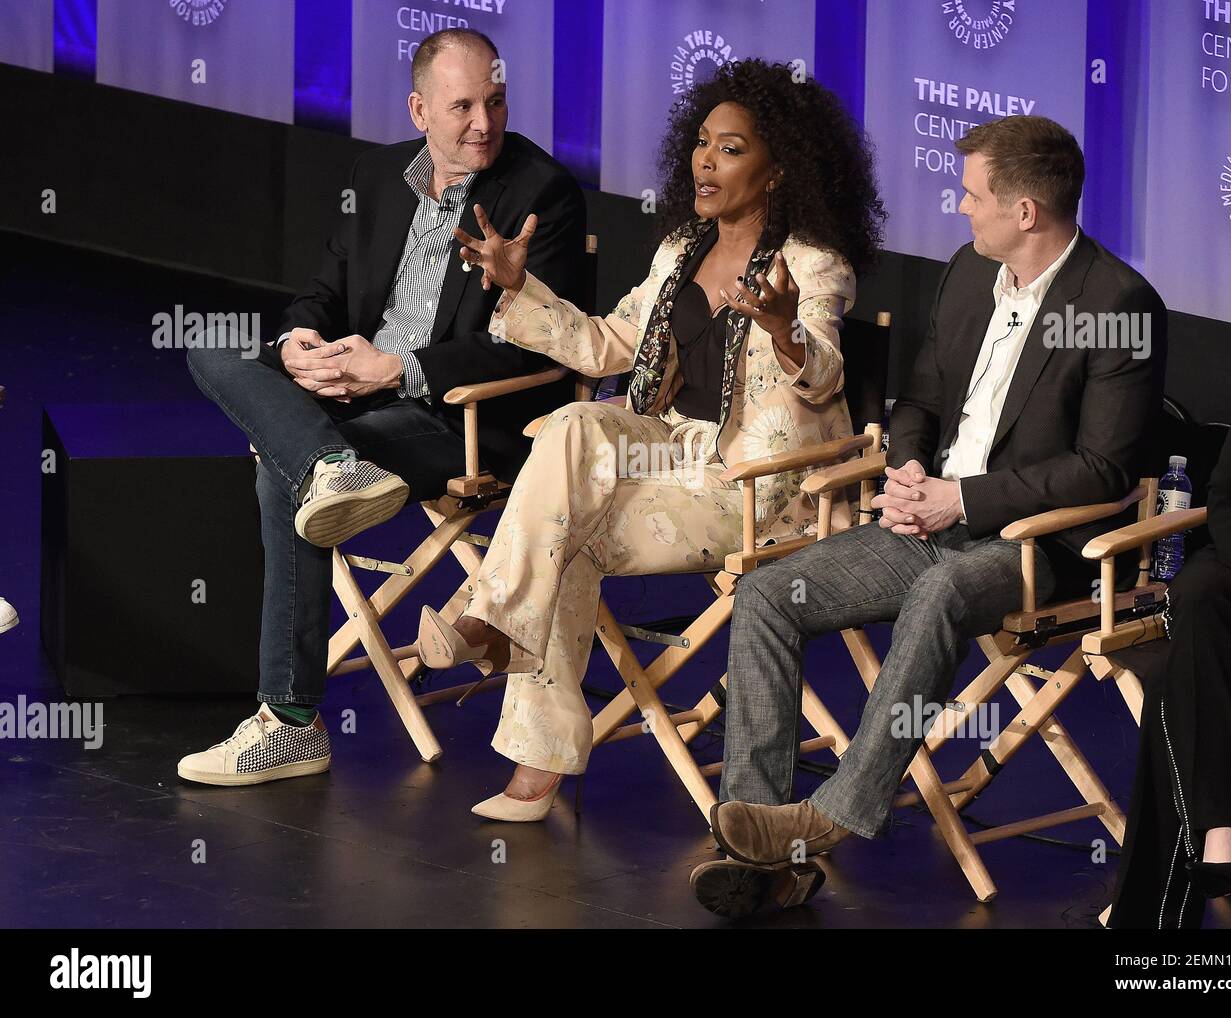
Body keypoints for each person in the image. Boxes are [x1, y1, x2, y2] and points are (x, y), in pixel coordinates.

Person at [692, 115, 1168, 917]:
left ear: (1025, 212)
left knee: (942, 593)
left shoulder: (1119, 303)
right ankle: (762, 846)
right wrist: (911, 468)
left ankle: (830, 816)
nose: (959, 206)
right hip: (929, 514)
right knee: (769, 594)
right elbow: (918, 400)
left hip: (1031, 546)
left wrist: (965, 498)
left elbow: (1104, 469)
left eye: (973, 194)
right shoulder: (965, 272)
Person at [416, 59, 887, 820]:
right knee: (572, 427)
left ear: (777, 170)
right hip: (667, 450)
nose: (706, 160)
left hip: (756, 488)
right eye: (702, 143)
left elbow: (826, 371)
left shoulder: (813, 266)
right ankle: (498, 625)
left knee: (567, 535)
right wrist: (515, 288)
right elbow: (608, 346)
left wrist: (784, 331)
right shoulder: (680, 251)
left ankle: (518, 711)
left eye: (731, 148)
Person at [178, 28, 585, 785]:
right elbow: (326, 292)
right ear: (419, 109)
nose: (484, 123)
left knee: (280, 473)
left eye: (495, 102)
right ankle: (332, 462)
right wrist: (304, 338)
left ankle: (289, 722)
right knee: (211, 352)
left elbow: (543, 349)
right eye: (462, 105)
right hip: (353, 391)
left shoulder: (541, 193)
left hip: (457, 421)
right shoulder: (373, 176)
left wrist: (395, 369)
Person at [1108, 247, 1231, 928]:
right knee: (1198, 597)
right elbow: (1224, 499)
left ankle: (1155, 930)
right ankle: (1221, 823)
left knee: (1175, 678)